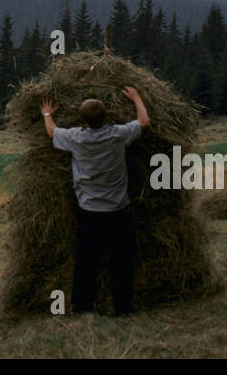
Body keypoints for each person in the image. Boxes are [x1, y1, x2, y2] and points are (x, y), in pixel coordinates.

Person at [42, 86, 150, 315]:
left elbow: (52, 132)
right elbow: (143, 121)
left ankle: (82, 307)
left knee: (85, 260)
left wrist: (47, 113)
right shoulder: (118, 134)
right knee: (120, 260)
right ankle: (123, 308)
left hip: (89, 211)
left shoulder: (75, 138)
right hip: (117, 210)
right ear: (106, 116)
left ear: (82, 120)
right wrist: (136, 97)